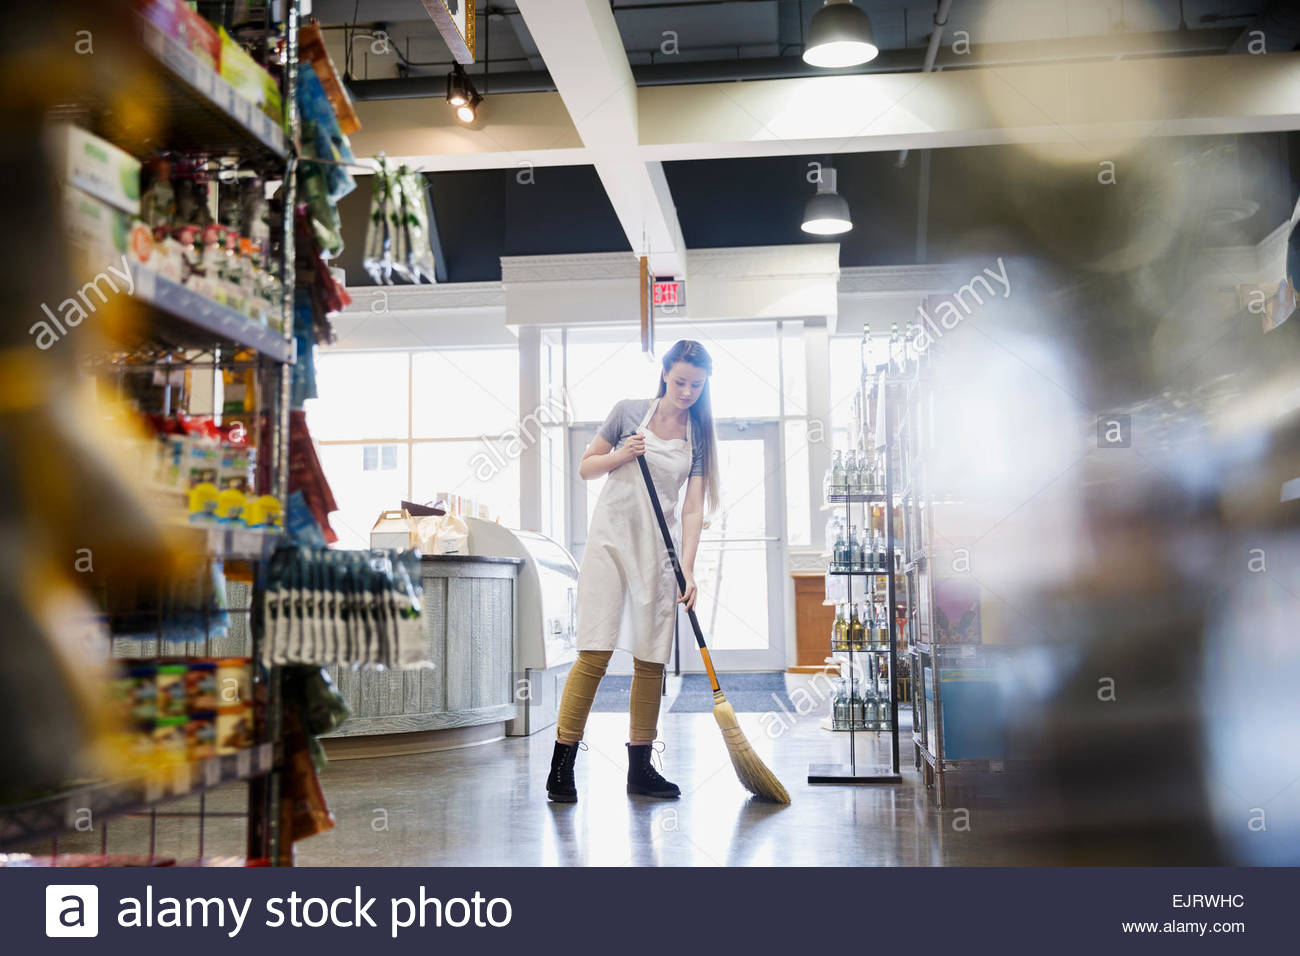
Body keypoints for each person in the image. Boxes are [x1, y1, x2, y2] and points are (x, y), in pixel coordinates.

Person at [546, 340, 721, 802]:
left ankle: (640, 769)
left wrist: (686, 570)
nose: (687, 392)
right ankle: (561, 766)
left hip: (657, 553)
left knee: (651, 658)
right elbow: (586, 468)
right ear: (665, 373)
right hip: (608, 542)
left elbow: (691, 509)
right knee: (594, 651)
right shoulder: (627, 412)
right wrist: (623, 454)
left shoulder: (698, 436)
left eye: (696, 385)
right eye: (680, 381)